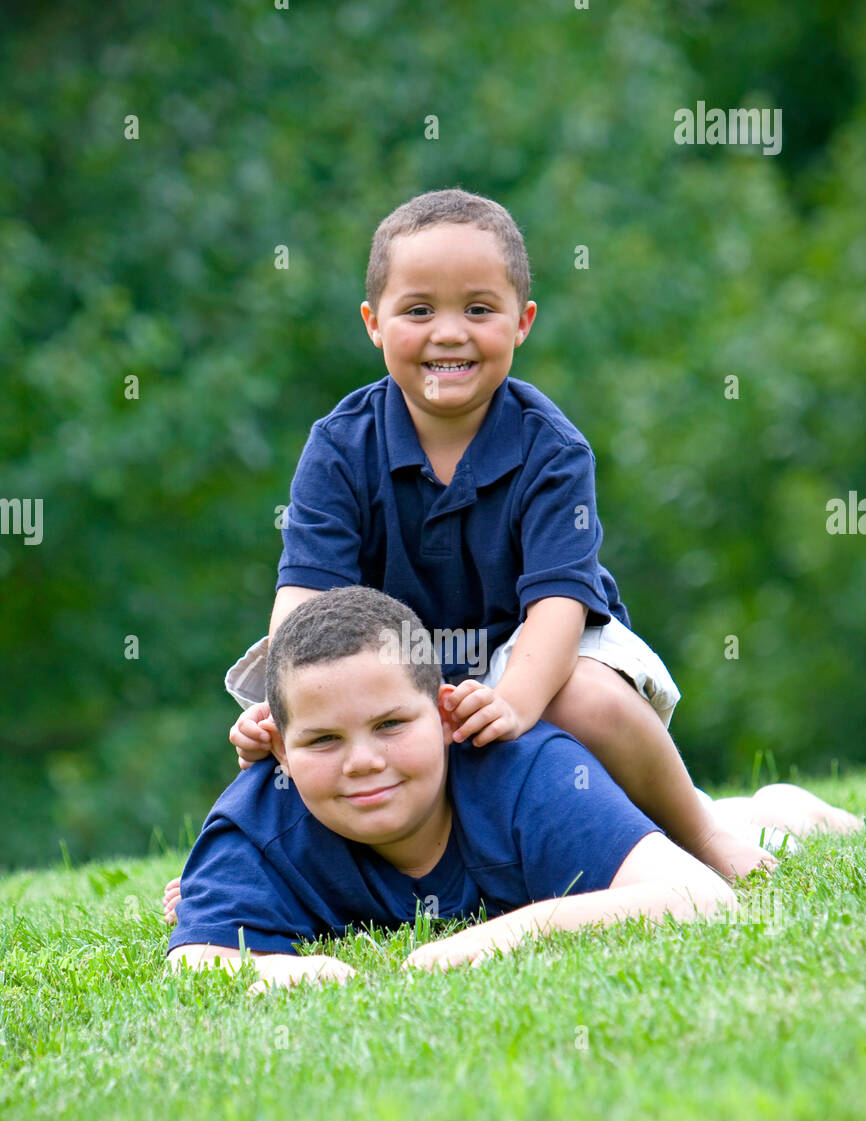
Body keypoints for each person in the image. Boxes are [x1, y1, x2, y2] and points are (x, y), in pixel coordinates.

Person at [164, 187, 861, 923]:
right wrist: (283, 705)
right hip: (397, 666)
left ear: (522, 322)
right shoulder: (340, 446)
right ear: (373, 324)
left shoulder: (551, 447)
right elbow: (307, 600)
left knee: (579, 699)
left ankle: (702, 831)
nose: (449, 334)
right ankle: (229, 871)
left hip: (539, 648)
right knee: (307, 732)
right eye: (419, 310)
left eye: (478, 309)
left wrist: (515, 702)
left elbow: (558, 604)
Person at [166, 588, 741, 990]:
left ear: (445, 715)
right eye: (323, 740)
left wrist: (487, 942)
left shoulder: (528, 775)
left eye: (391, 725)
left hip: (629, 819)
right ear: (281, 750)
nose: (363, 762)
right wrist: (300, 973)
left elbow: (703, 898)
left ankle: (788, 809)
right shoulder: (257, 821)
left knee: (771, 820)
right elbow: (195, 961)